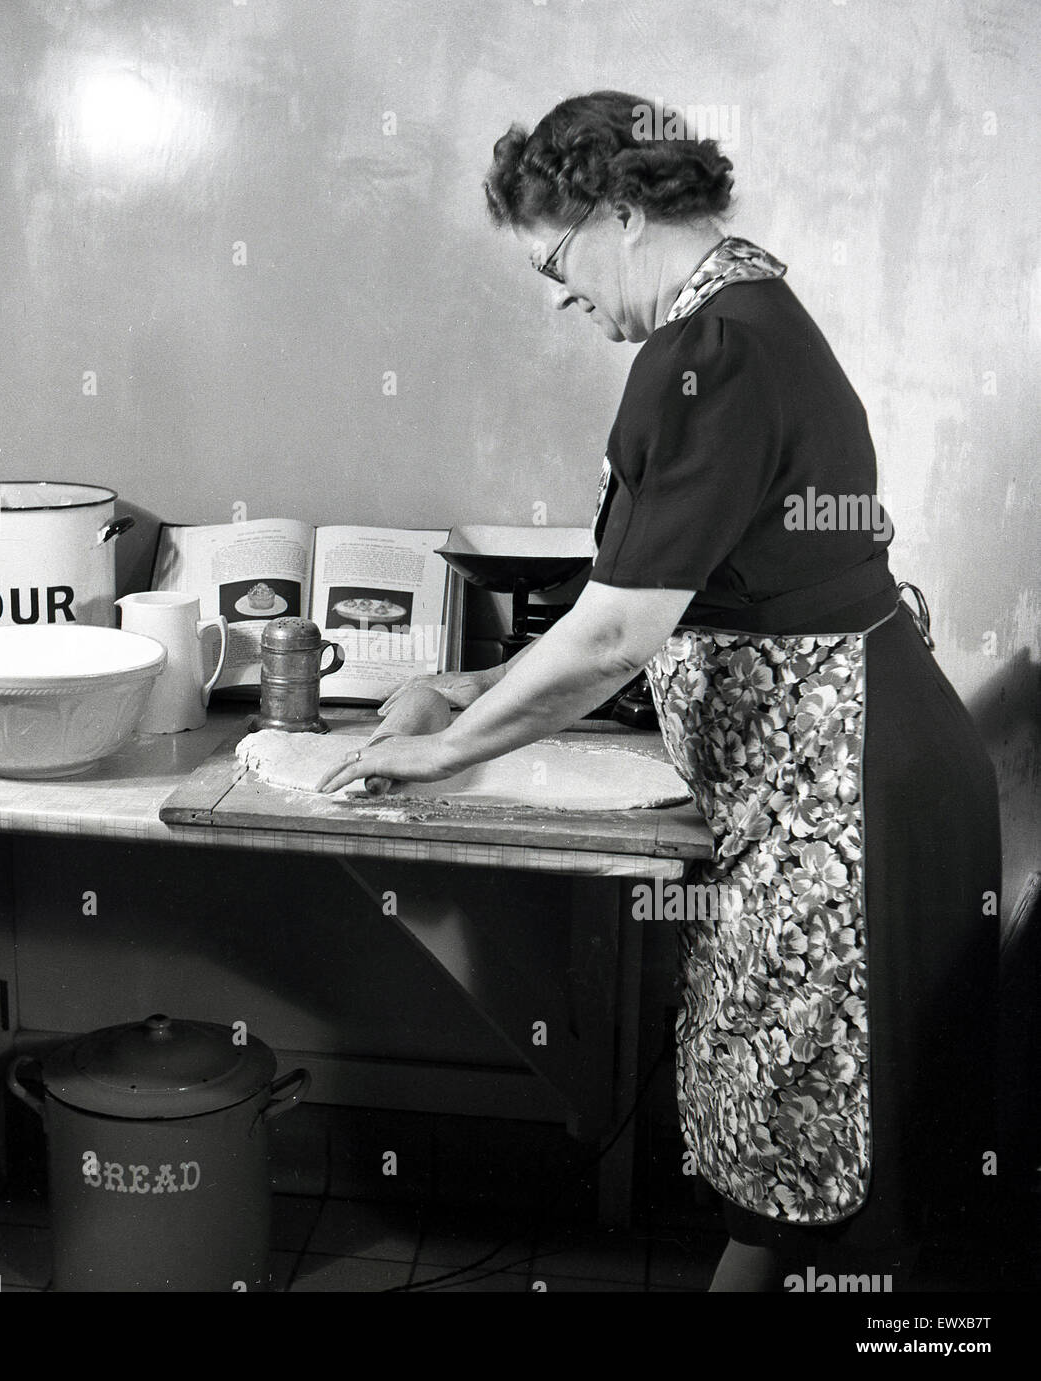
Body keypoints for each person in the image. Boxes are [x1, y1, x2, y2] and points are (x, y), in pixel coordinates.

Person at [319, 91, 1000, 1291]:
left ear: (623, 215)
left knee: (830, 1154)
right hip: (833, 790)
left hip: (846, 808)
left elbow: (616, 632)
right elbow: (657, 604)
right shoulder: (742, 322)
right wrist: (467, 686)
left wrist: (444, 754)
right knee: (796, 1150)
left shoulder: (715, 350)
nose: (563, 299)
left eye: (558, 265)